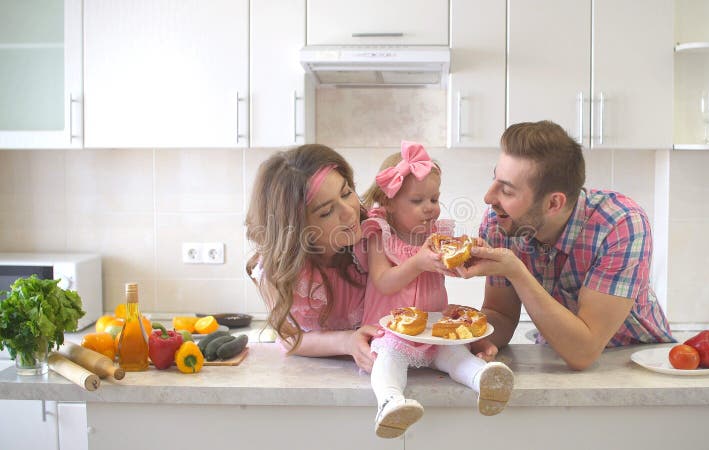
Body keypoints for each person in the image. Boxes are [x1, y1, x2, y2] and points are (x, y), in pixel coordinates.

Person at [458, 121, 674, 371]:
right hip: (556, 354)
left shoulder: (621, 224)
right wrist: (459, 336)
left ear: (553, 204)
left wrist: (515, 271)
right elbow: (502, 316)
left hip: (639, 363)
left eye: (506, 190)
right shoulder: (501, 224)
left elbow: (583, 352)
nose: (488, 198)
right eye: (495, 179)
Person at [360, 141, 514, 439]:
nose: (430, 207)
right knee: (388, 360)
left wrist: (471, 252)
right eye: (418, 201)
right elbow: (383, 281)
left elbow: (454, 267)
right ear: (389, 202)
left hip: (432, 330)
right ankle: (390, 401)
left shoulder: (435, 234)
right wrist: (417, 262)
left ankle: (483, 380)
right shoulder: (380, 232)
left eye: (434, 198)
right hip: (392, 330)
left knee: (455, 354)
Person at [245, 144, 382, 372]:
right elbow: (290, 339)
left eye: (347, 192)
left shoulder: (375, 239)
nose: (349, 211)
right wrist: (347, 341)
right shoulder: (278, 271)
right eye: (326, 211)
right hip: (317, 377)